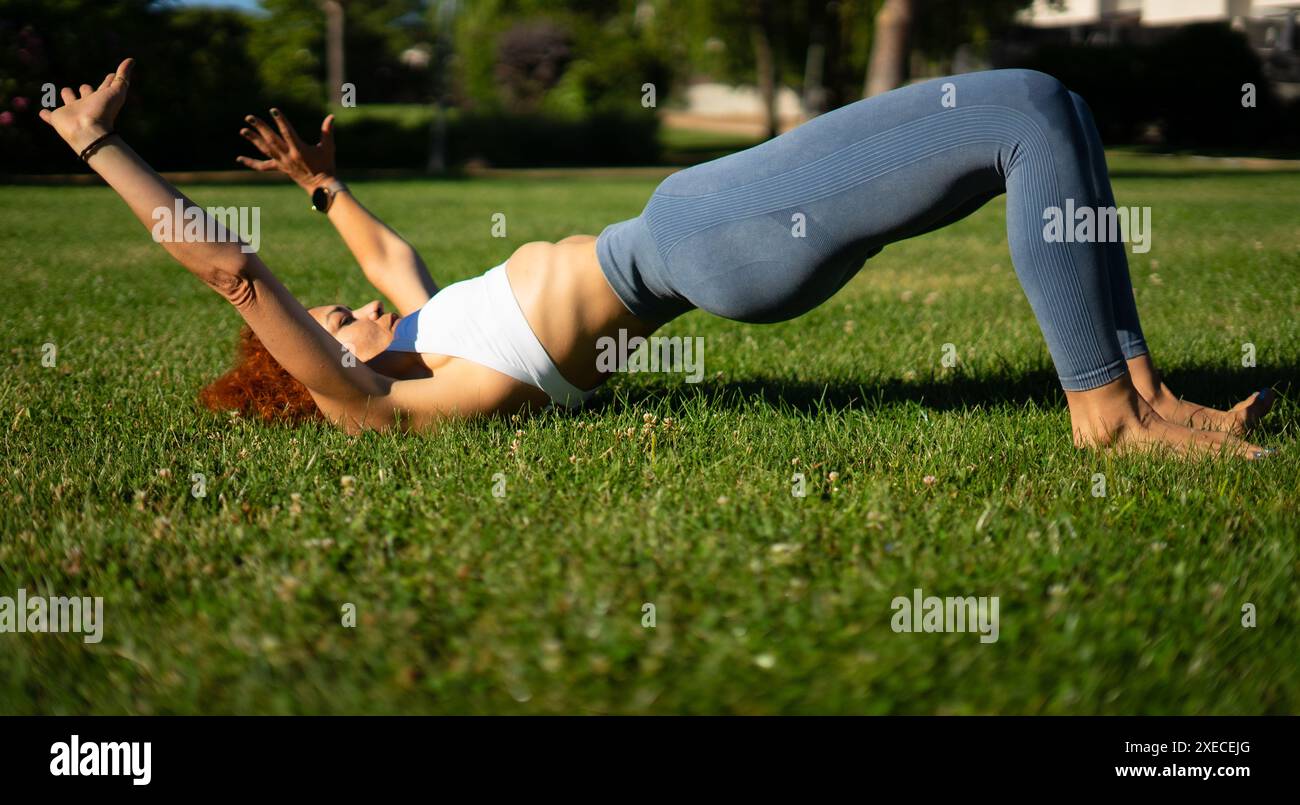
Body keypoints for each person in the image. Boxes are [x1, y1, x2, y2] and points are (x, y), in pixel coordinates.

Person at [42, 59, 1275, 456]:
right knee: (1020, 112)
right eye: (335, 319)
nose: (347, 308)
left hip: (707, 241)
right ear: (305, 372)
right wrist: (104, 149)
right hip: (703, 242)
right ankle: (1107, 417)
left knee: (1047, 113)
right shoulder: (372, 399)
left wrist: (322, 188)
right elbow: (237, 279)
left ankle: (1143, 394)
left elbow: (392, 257)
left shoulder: (426, 337)